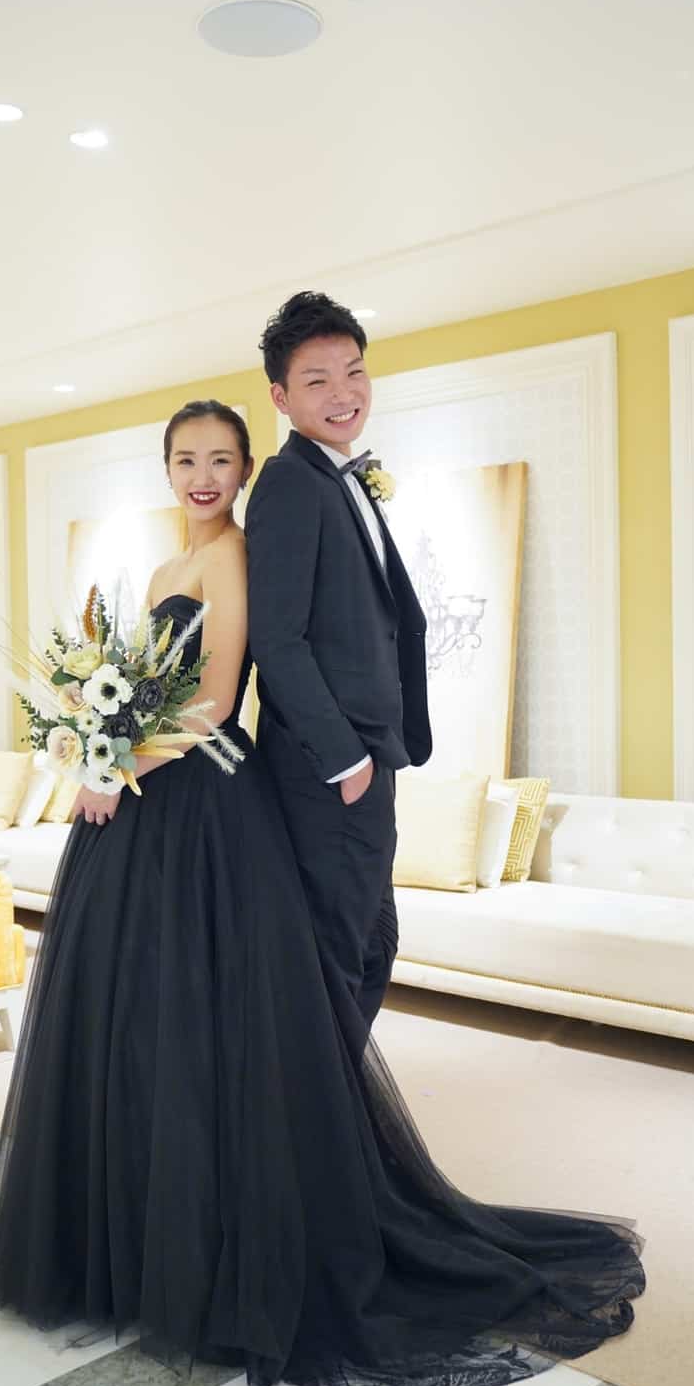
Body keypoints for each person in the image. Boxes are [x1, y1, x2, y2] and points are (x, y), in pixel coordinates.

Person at [0, 399, 644, 1386]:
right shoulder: (160, 572)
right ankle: (130, 1243)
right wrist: (97, 744)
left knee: (205, 1027)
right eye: (186, 459)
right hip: (144, 809)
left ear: (246, 469)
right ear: (166, 470)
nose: (203, 475)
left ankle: (216, 1254)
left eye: (220, 459)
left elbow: (215, 703)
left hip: (206, 799)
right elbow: (142, 688)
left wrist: (110, 764)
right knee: (136, 1026)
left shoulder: (234, 557)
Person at [246, 292, 430, 1043]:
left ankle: (330, 1098)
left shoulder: (339, 478)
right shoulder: (290, 482)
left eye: (354, 371)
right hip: (330, 770)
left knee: (369, 945)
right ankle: (312, 1107)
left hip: (369, 756)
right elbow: (277, 639)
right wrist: (347, 761)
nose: (343, 392)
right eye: (317, 379)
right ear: (281, 397)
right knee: (339, 955)